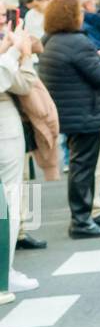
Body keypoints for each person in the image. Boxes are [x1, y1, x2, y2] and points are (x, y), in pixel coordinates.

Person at [38, 0, 100, 239]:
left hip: (73, 113)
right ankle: (81, 220)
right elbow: (99, 76)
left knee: (82, 166)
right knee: (84, 168)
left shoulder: (52, 40)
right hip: (86, 113)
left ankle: (88, 215)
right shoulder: (76, 42)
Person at [0, 24, 40, 294]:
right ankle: (5, 272)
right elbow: (23, 83)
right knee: (10, 201)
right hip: (4, 130)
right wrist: (19, 53)